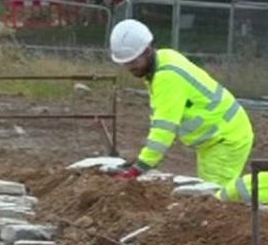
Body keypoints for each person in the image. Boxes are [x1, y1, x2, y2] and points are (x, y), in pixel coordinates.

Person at [108, 18, 253, 190]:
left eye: (133, 62)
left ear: (147, 51)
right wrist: (142, 160)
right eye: (125, 63)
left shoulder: (167, 78)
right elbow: (162, 117)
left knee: (214, 196)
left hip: (225, 139)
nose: (130, 68)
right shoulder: (164, 58)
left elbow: (164, 129)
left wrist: (140, 166)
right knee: (210, 191)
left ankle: (262, 202)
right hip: (219, 136)